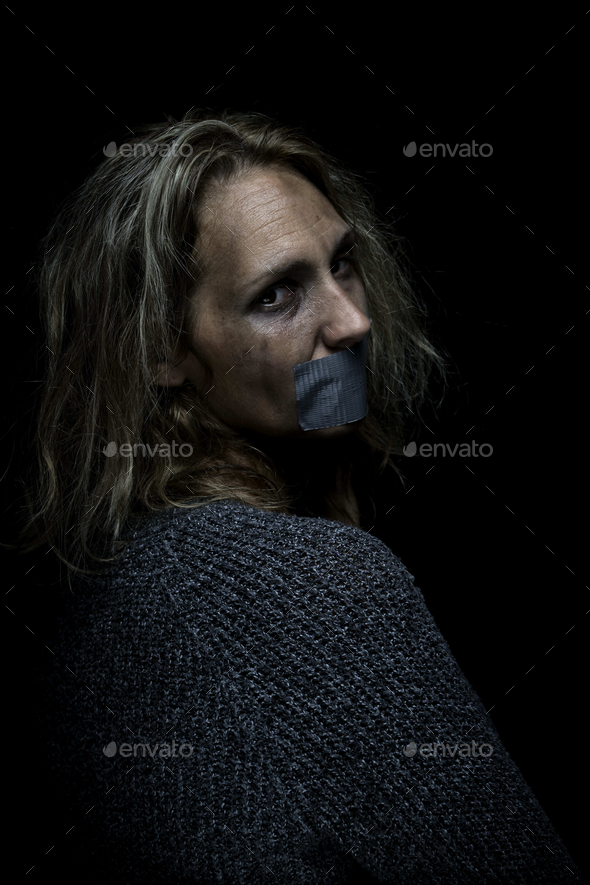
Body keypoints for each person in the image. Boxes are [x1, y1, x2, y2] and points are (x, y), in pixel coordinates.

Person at [10, 108, 585, 883]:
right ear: (160, 350)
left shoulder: (121, 569)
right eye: (278, 295)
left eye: (343, 263)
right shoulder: (306, 581)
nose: (354, 322)